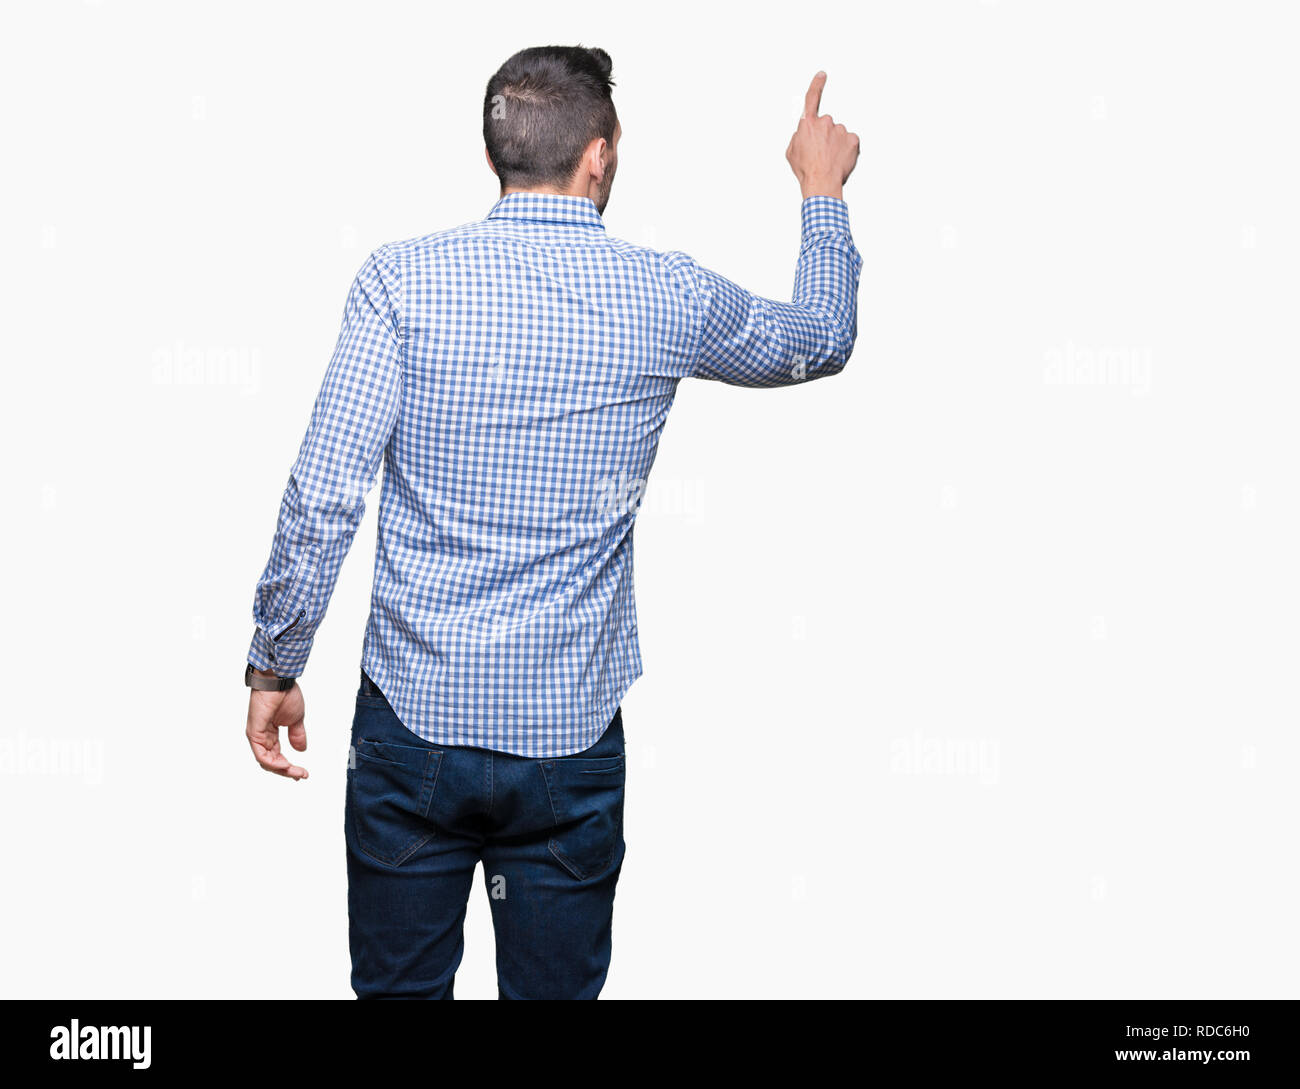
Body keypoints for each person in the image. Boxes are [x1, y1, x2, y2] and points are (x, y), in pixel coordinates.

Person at [243, 45, 861, 999]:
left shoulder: (399, 282)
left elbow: (323, 493)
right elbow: (818, 341)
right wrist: (822, 192)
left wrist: (275, 663)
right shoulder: (667, 294)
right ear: (600, 157)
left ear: (493, 154)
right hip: (567, 737)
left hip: (413, 729)